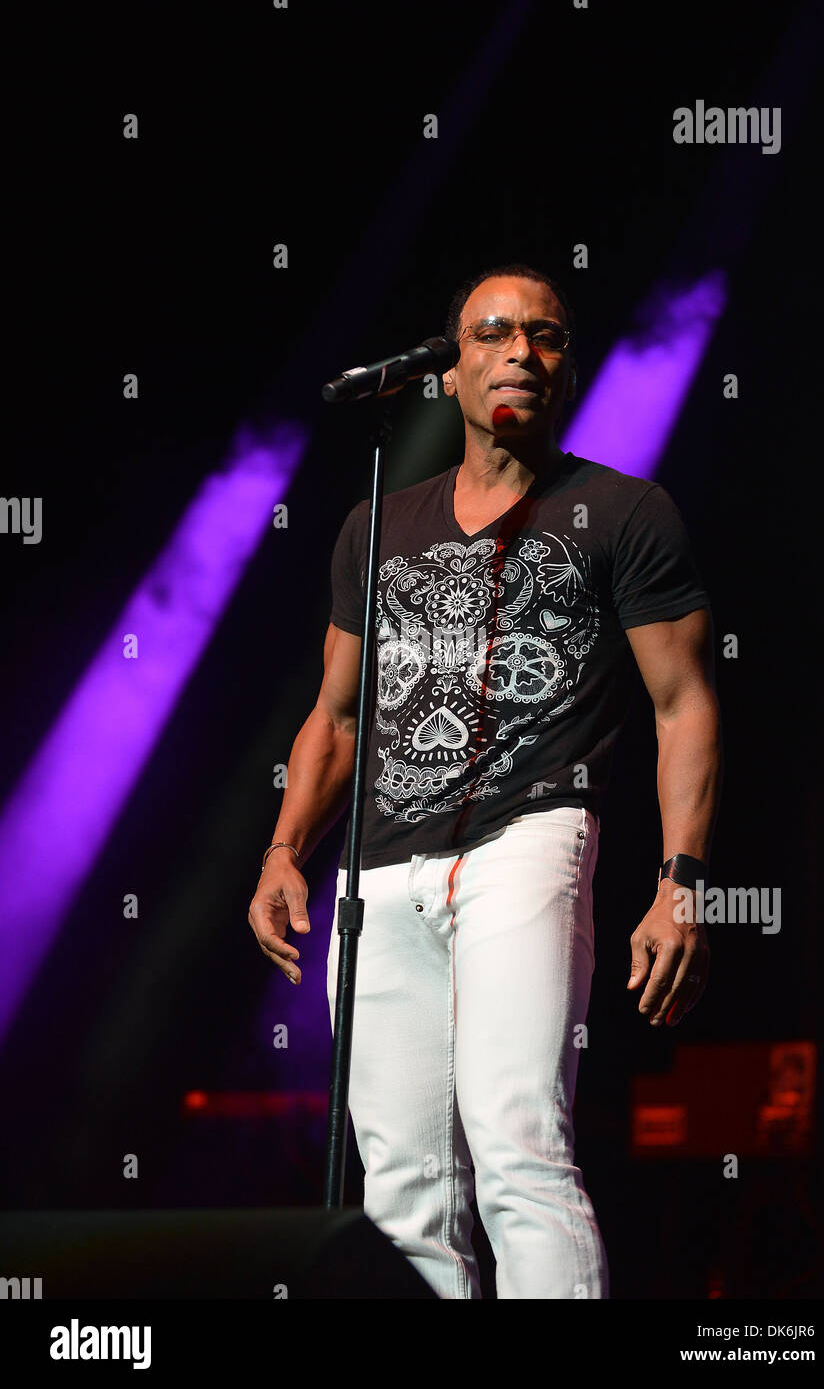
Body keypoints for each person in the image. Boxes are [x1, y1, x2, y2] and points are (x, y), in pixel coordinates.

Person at [248, 263, 722, 1299]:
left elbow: (683, 703)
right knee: (399, 1190)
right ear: (450, 369)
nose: (519, 353)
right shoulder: (377, 523)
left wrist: (679, 878)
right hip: (379, 870)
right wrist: (286, 849)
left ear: (567, 367)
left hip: (527, 840)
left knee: (518, 1149)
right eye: (494, 334)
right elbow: (335, 714)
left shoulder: (624, 512)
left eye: (544, 337)